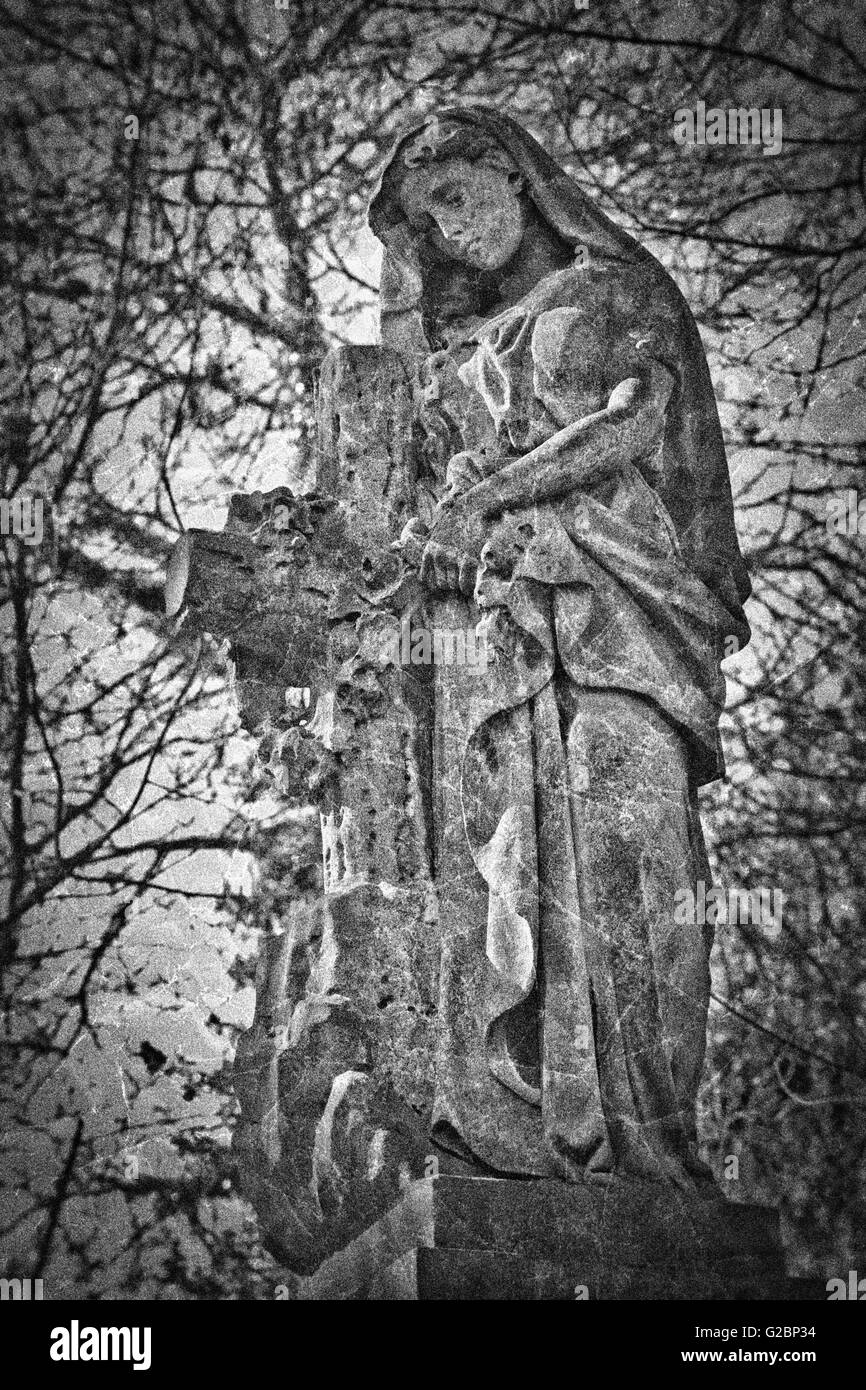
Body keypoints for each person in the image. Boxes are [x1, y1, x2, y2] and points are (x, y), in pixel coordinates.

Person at [368, 107, 751, 1189]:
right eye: (425, 224)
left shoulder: (617, 291)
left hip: (626, 626)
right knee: (517, 876)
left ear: (513, 175)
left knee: (636, 863)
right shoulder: (464, 351)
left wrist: (487, 495)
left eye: (453, 197)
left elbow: (632, 421)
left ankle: (653, 1149)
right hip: (514, 643)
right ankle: (537, 1129)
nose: (446, 232)